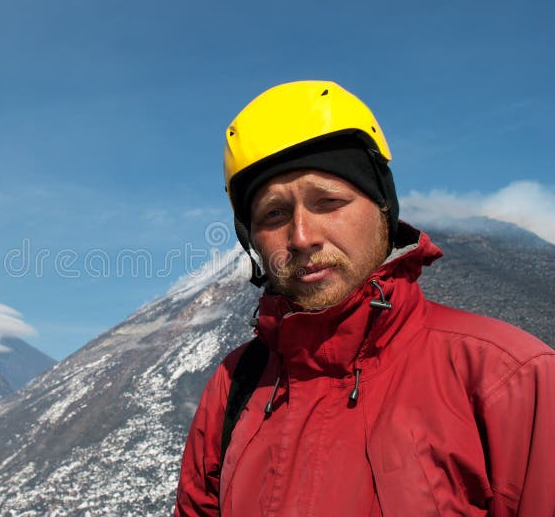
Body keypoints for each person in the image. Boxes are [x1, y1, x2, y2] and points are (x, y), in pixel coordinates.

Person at [174, 81, 555, 516]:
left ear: (383, 207)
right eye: (274, 214)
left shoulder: (509, 379)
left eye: (329, 201)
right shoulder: (232, 387)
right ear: (252, 240)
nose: (302, 237)